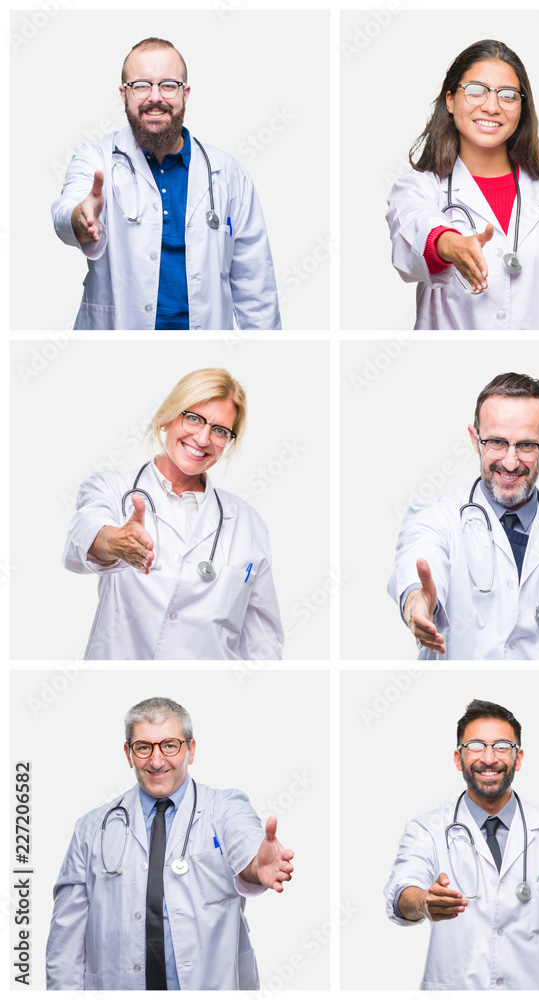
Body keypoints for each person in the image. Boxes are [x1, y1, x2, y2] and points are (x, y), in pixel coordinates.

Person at [46, 697, 295, 990]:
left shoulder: (224, 807)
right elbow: (66, 938)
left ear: (190, 749)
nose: (156, 760)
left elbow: (246, 846)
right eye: (143, 747)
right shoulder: (91, 828)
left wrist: (256, 865)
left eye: (169, 745)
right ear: (128, 754)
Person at [51, 37, 280, 330]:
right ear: (124, 94)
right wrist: (80, 220)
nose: (155, 97)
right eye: (141, 85)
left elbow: (255, 285)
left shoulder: (228, 173)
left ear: (185, 93)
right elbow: (64, 213)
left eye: (168, 85)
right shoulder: (95, 158)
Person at [386, 39, 539, 330]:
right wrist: (449, 243)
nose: (492, 107)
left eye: (508, 95)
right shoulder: (418, 187)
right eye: (476, 91)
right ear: (450, 100)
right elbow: (414, 229)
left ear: (522, 108)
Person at [384, 699, 539, 989]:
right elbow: (403, 889)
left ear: (518, 758)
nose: (489, 758)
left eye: (502, 746)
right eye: (476, 746)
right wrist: (423, 903)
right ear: (458, 758)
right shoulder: (426, 830)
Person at [388, 372, 539, 659]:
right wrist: (417, 604)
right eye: (497, 442)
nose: (510, 462)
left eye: (526, 445)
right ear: (475, 439)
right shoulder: (437, 519)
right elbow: (418, 557)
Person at [63, 368, 282, 659]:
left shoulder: (248, 523)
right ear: (168, 417)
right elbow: (85, 533)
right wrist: (113, 542)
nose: (203, 439)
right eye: (193, 418)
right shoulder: (111, 488)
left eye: (219, 431)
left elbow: (262, 644)